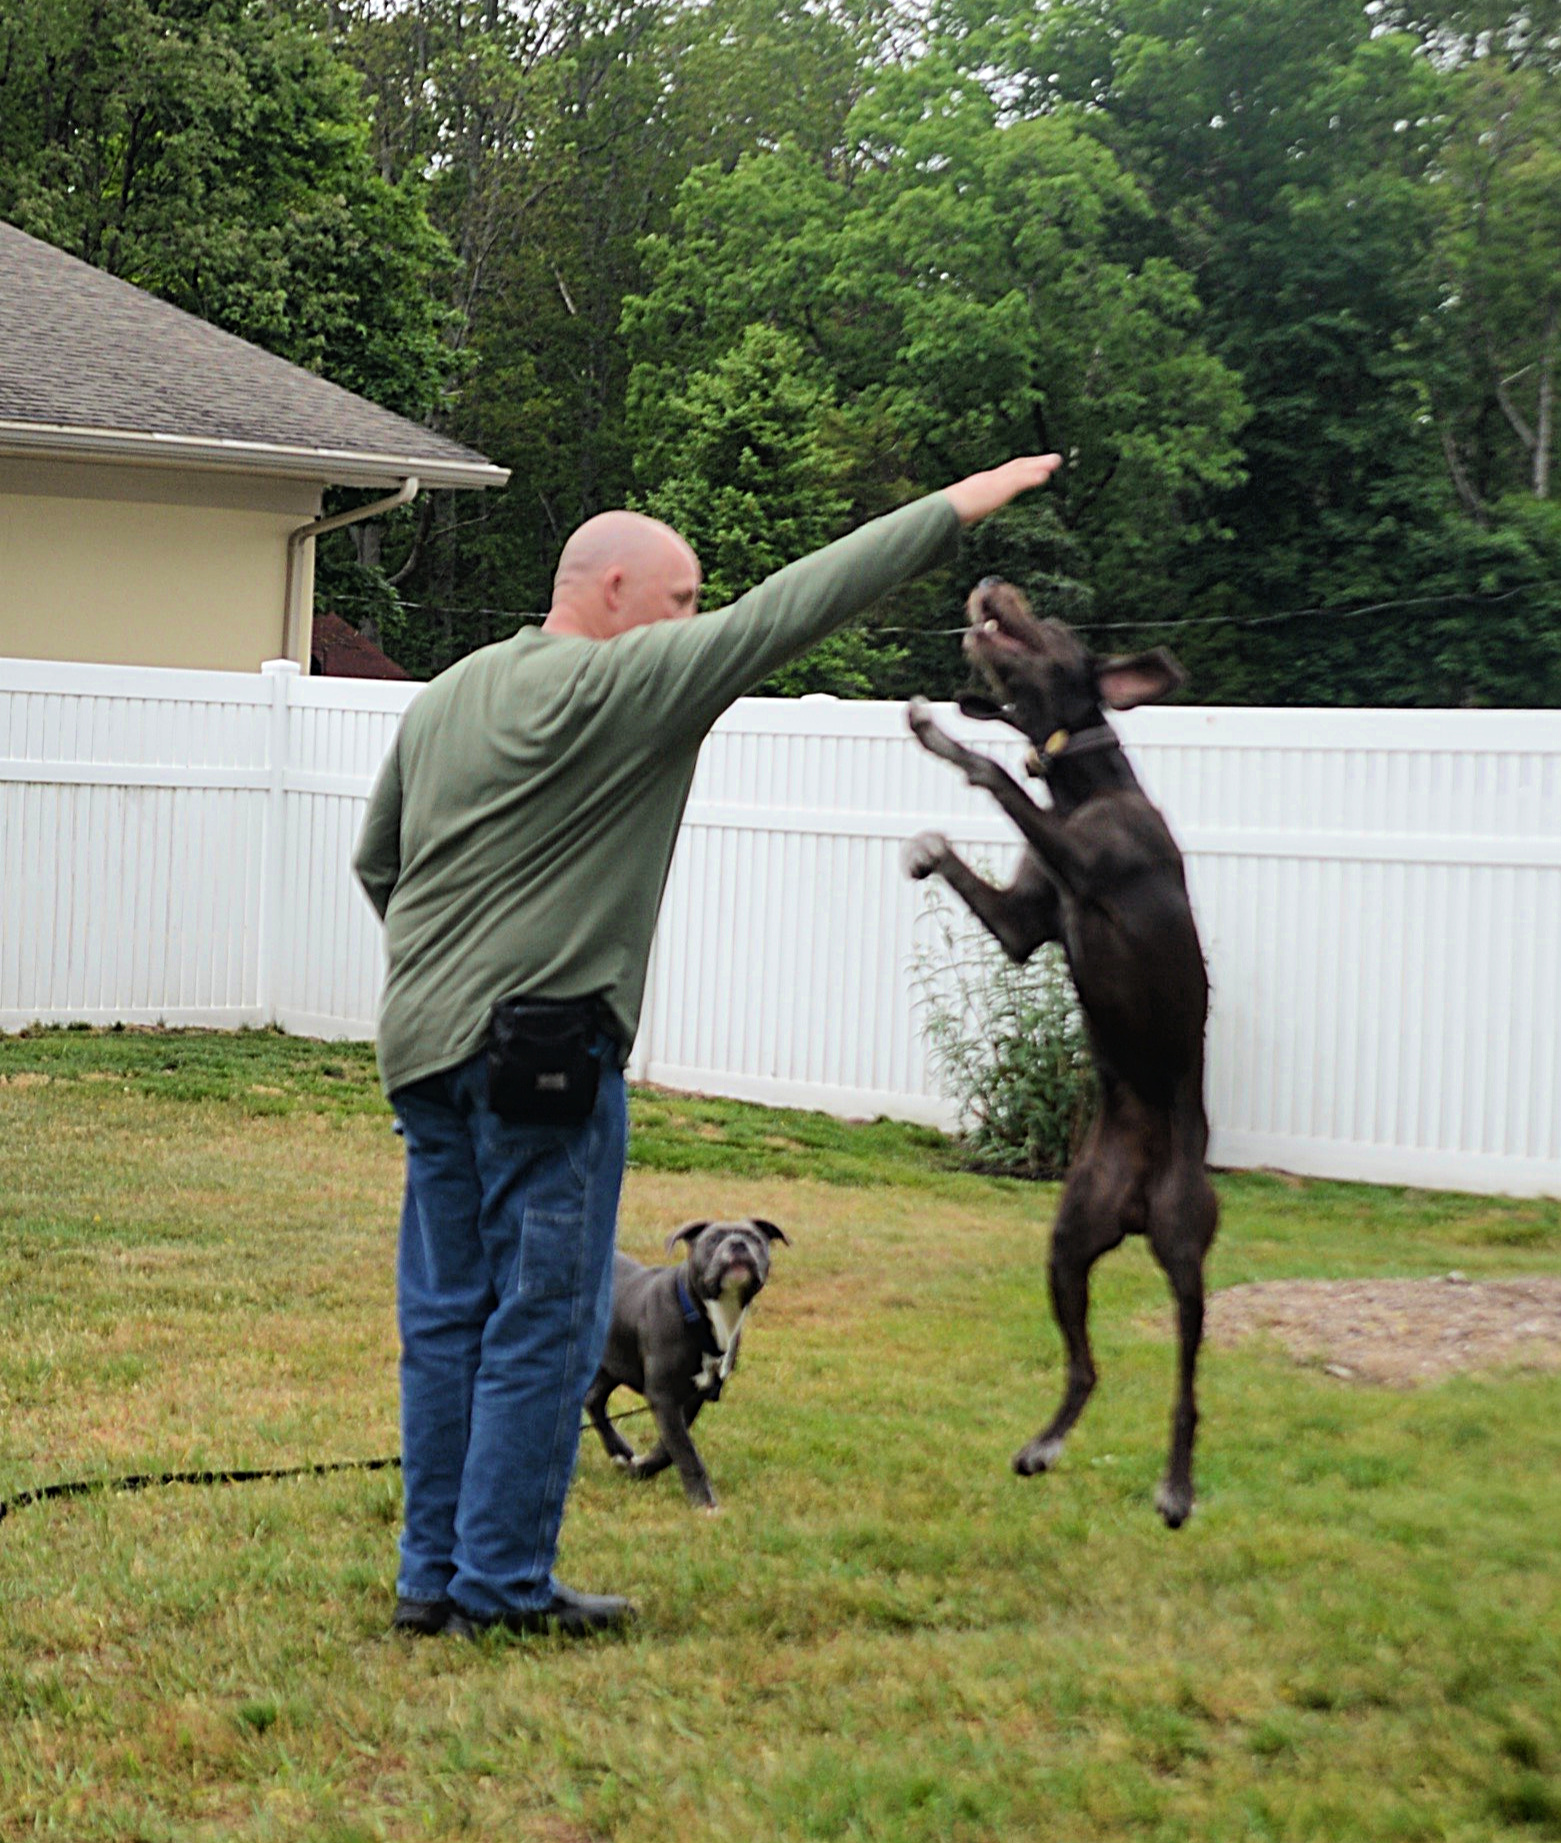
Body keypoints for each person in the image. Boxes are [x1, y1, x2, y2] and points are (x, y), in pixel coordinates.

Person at [353, 454, 1062, 1639]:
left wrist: (449, 980)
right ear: (618, 589)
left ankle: (431, 1579)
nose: (696, 626)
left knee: (446, 1317)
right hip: (544, 1055)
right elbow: (798, 603)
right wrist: (960, 502)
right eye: (684, 602)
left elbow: (382, 862)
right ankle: (500, 1587)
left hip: (423, 1049)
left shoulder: (446, 696)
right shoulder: (625, 680)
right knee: (540, 1319)